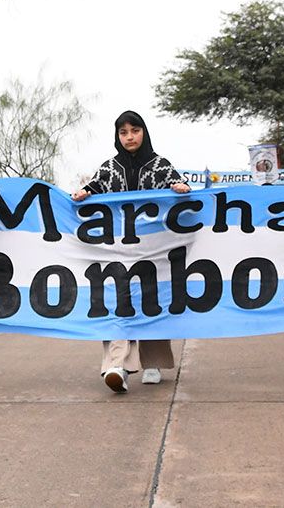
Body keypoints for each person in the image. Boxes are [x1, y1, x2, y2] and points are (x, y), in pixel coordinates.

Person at [72, 111, 191, 393]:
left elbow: (180, 188)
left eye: (134, 131)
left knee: (152, 301)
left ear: (144, 132)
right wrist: (83, 194)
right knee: (117, 302)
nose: (129, 137)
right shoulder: (109, 168)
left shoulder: (161, 165)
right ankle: (117, 366)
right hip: (118, 253)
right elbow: (91, 189)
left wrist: (179, 188)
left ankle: (152, 363)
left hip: (155, 252)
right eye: (123, 133)